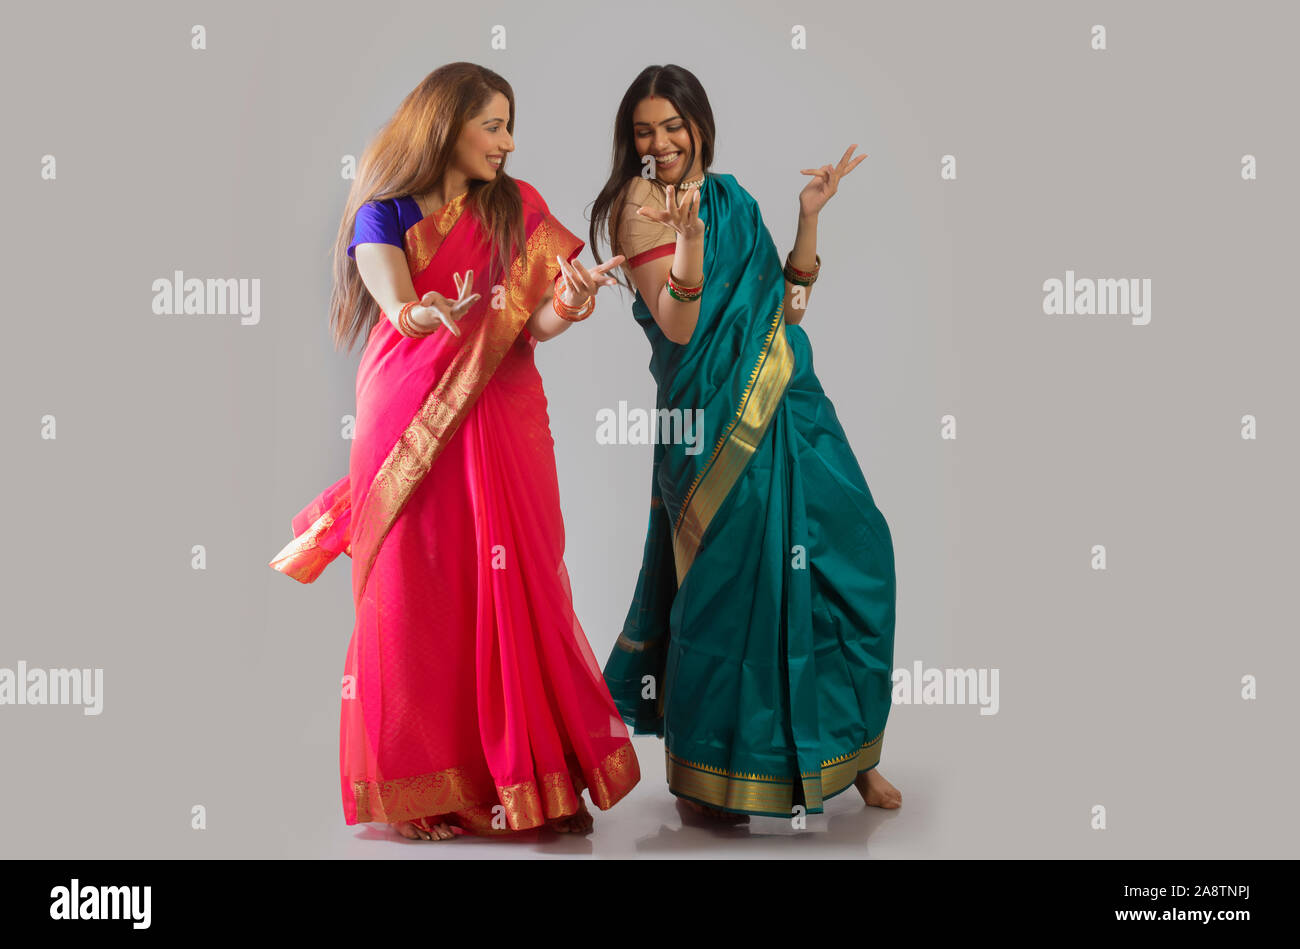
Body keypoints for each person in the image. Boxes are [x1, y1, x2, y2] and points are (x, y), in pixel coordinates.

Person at [269, 62, 638, 841]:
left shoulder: (515, 207)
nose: (509, 141)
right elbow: (395, 303)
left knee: (521, 577)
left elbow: (532, 326)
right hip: (406, 411)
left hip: (504, 411)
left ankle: (532, 779)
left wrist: (567, 304)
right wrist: (420, 313)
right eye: (493, 125)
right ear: (446, 124)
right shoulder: (385, 209)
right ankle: (422, 793)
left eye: (510, 124)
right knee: (417, 590)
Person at [591, 64, 901, 821]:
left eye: (673, 125)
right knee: (736, 596)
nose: (661, 142)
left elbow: (789, 313)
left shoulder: (734, 199)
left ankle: (850, 751)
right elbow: (680, 326)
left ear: (700, 124)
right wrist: (689, 241)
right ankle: (709, 774)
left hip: (792, 408)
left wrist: (809, 218)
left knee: (850, 564)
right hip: (710, 432)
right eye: (644, 130)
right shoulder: (639, 209)